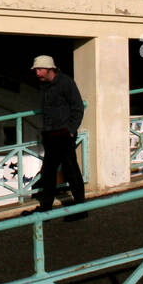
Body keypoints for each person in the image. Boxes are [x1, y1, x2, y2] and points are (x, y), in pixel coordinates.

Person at [30, 55, 87, 214]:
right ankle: (45, 208)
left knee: (71, 170)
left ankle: (81, 208)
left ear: (49, 69)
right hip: (50, 134)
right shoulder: (44, 85)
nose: (37, 73)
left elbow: (77, 107)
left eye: (39, 69)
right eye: (36, 70)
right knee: (48, 171)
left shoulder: (65, 82)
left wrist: (70, 129)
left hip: (63, 133)